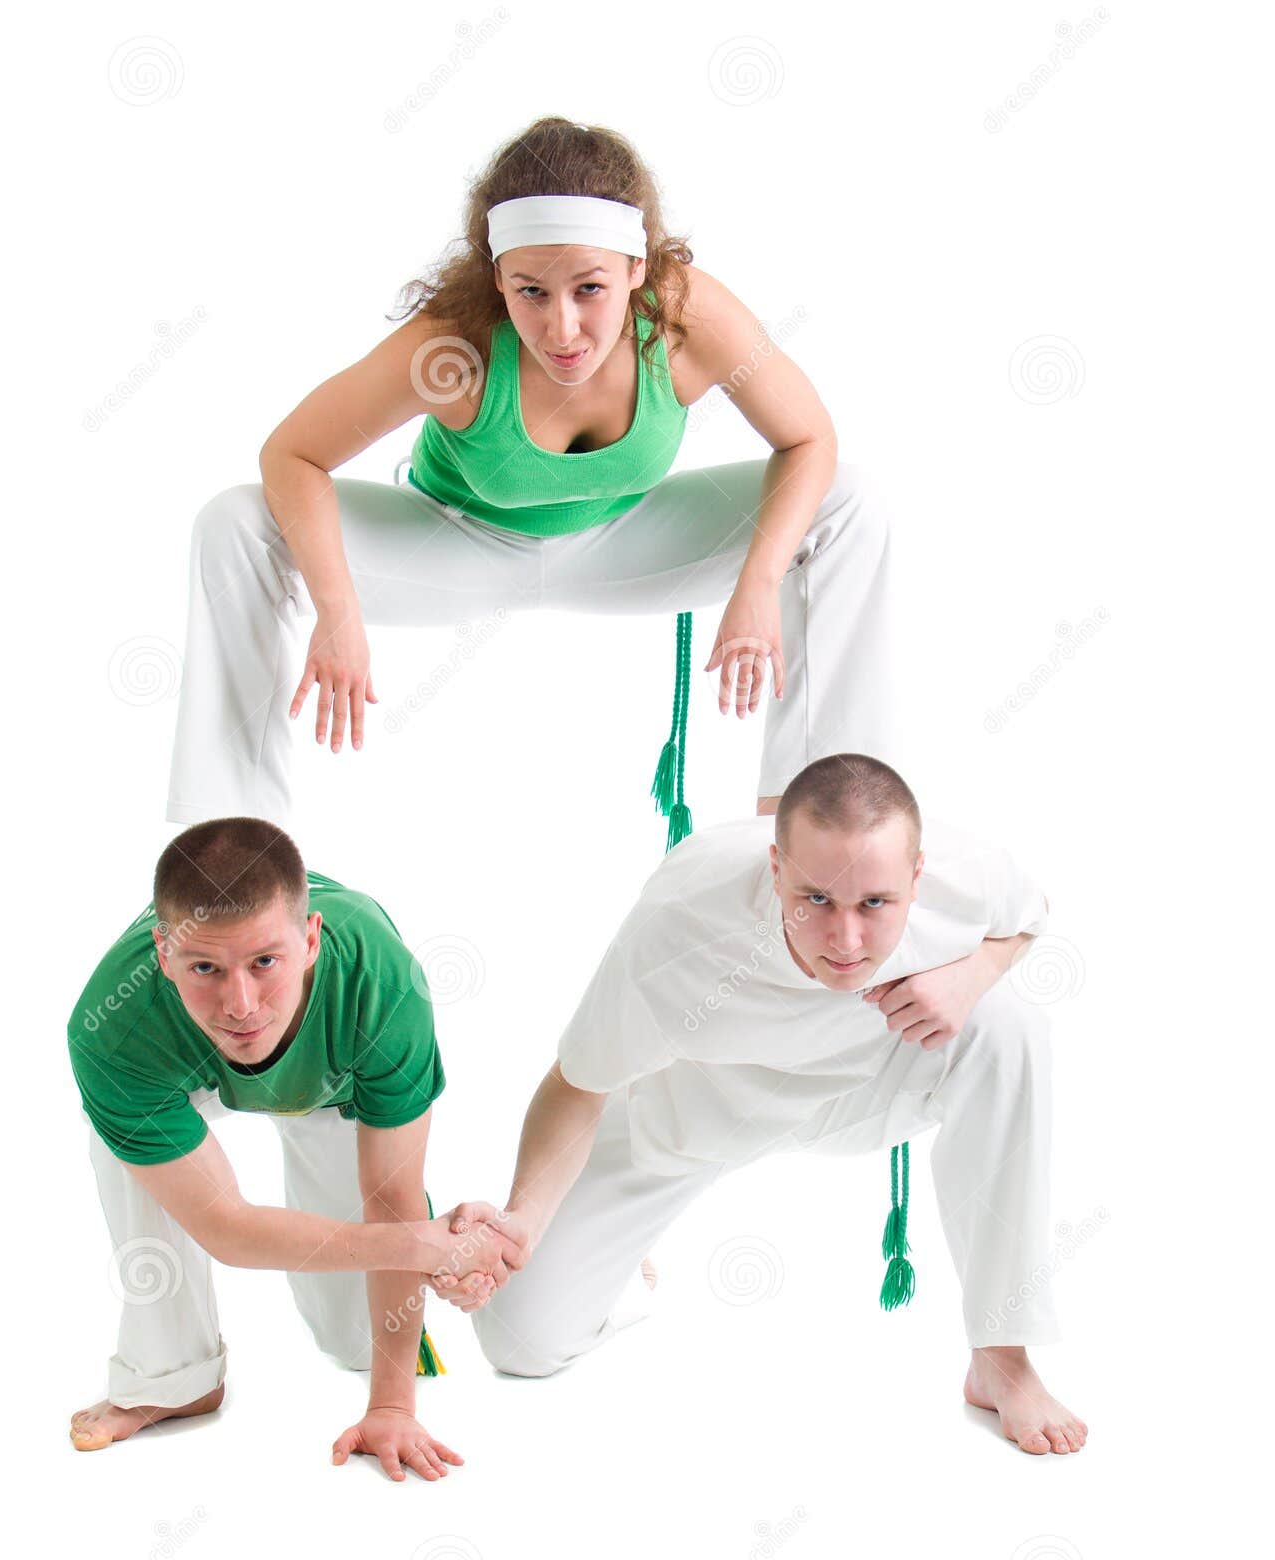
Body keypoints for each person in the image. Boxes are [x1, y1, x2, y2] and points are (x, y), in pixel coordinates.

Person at [165, 115, 894, 830]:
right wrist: (338, 610)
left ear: (638, 270)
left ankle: (827, 840)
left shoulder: (687, 321)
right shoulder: (455, 349)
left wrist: (760, 580)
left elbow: (809, 439)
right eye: (531, 292)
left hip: (630, 541)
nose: (562, 329)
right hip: (453, 544)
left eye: (590, 289)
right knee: (236, 522)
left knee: (845, 502)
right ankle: (231, 857)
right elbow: (292, 454)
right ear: (498, 278)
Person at [448, 755, 1089, 1458]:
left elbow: (1031, 915)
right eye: (816, 900)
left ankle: (1001, 1358)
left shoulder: (967, 876)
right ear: (776, 867)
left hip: (867, 1083)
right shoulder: (678, 925)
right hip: (693, 1116)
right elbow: (576, 1084)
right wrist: (521, 1226)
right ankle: (625, 1272)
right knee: (517, 1338)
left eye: (875, 904)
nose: (846, 941)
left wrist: (974, 975)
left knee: (1011, 1028)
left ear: (917, 875)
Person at [65, 815, 518, 1481]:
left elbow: (392, 1199)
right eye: (205, 967)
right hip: (185, 1071)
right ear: (164, 955)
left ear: (310, 940)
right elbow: (227, 1225)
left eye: (264, 962)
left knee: (358, 1344)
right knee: (124, 1153)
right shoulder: (111, 1028)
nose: (240, 1002)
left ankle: (592, 1251)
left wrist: (392, 1404)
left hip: (329, 1081)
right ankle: (173, 1379)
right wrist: (424, 1245)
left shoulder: (379, 981)